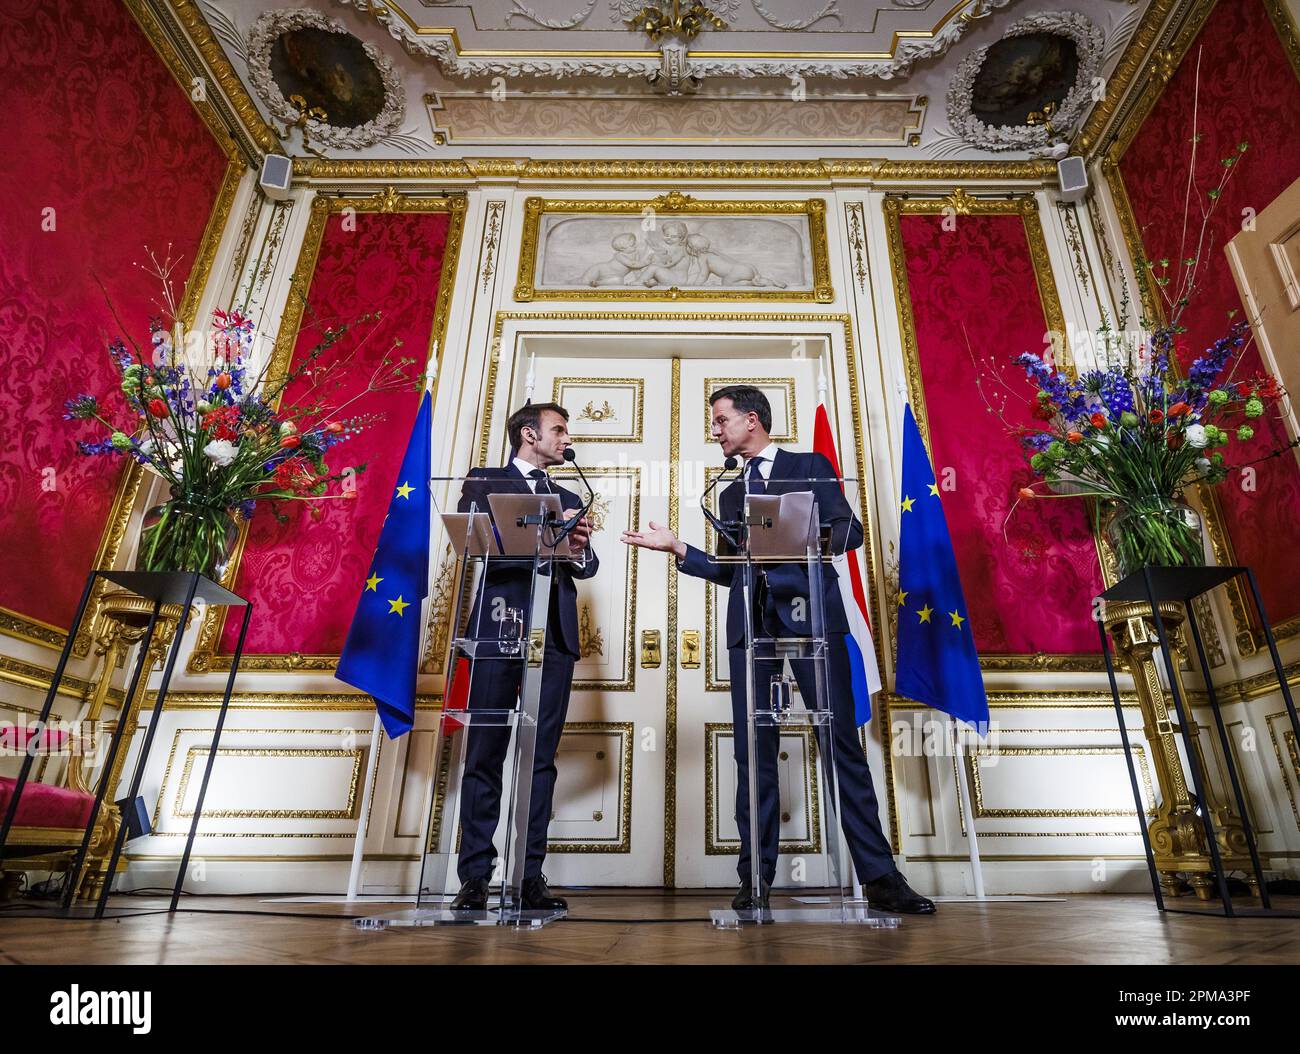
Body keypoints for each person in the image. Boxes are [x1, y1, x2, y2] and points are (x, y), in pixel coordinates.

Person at [621, 385, 934, 914]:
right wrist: (680, 549)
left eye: (720, 421)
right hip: (755, 632)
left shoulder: (809, 465)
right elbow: (729, 571)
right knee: (753, 754)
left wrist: (802, 537)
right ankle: (757, 881)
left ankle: (880, 879)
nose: (715, 430)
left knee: (842, 747)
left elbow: (850, 532)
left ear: (751, 420)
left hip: (814, 624)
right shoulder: (727, 493)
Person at [450, 402, 598, 912]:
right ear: (530, 434)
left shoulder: (570, 495)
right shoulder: (485, 481)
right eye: (559, 430)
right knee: (485, 752)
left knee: (541, 759)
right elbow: (468, 542)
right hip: (497, 629)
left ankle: (529, 877)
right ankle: (474, 879)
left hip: (552, 637)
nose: (565, 439)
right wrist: (536, 543)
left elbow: (587, 565)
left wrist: (576, 547)